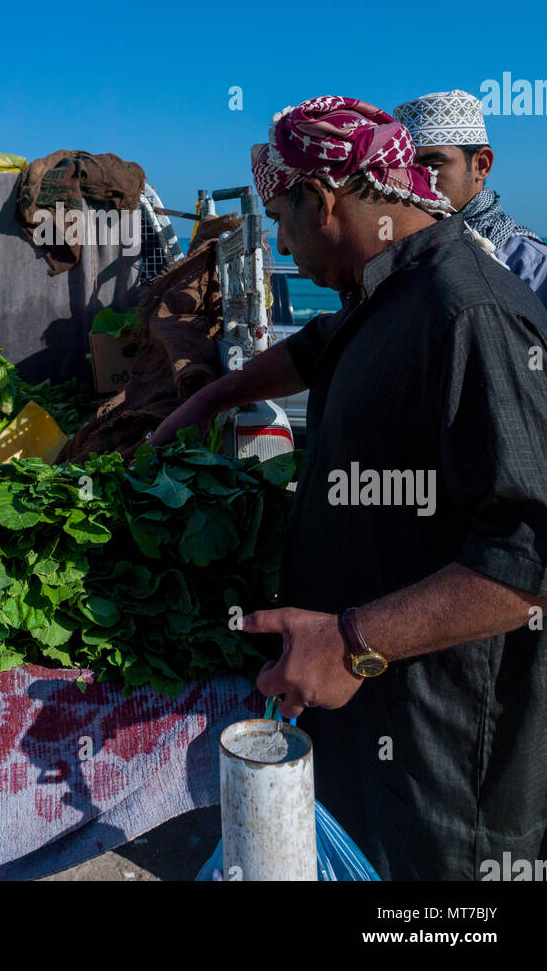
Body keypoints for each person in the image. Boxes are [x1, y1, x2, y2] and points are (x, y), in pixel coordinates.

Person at [153, 96, 547, 881]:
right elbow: (316, 347)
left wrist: (355, 641)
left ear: (322, 198)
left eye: (279, 220)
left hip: (443, 738)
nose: (281, 246)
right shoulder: (387, 289)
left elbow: (530, 553)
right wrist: (204, 401)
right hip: (372, 710)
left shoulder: (465, 311)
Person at [394, 88, 547, 303]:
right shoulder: (394, 257)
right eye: (407, 171)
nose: (416, 182)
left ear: (481, 165)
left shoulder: (534, 268)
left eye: (432, 166)